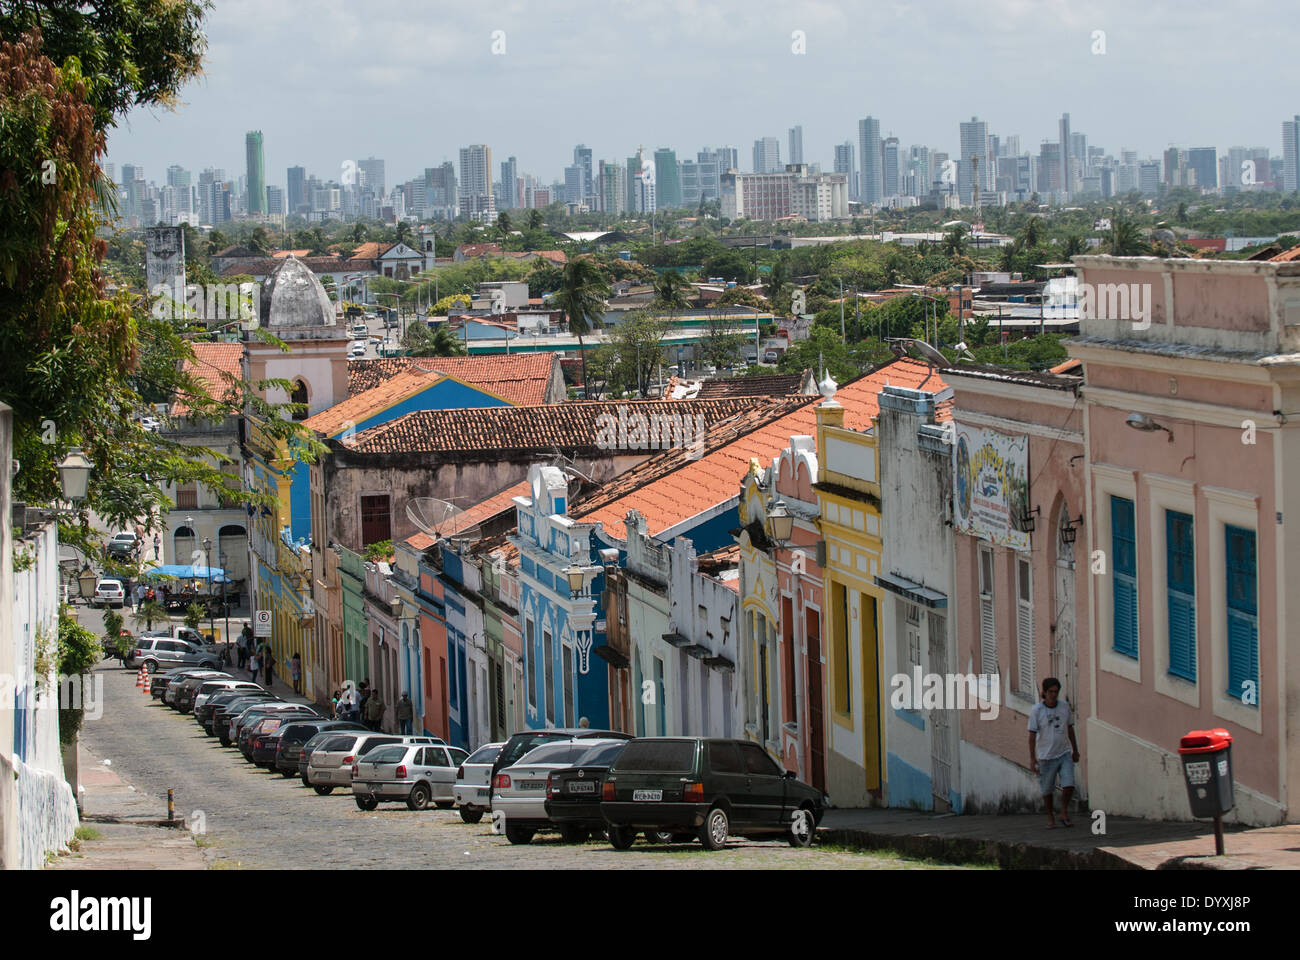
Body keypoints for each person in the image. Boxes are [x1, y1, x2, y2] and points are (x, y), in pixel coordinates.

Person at [1028, 677, 1080, 828]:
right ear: (1044, 692)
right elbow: (1031, 736)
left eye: (1056, 692)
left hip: (1063, 753)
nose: (1053, 695)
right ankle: (1050, 815)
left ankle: (1063, 812)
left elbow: (1070, 728)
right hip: (1046, 756)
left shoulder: (1064, 707)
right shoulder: (1037, 711)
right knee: (1047, 789)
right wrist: (1033, 758)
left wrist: (1075, 750)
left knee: (1069, 784)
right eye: (1050, 692)